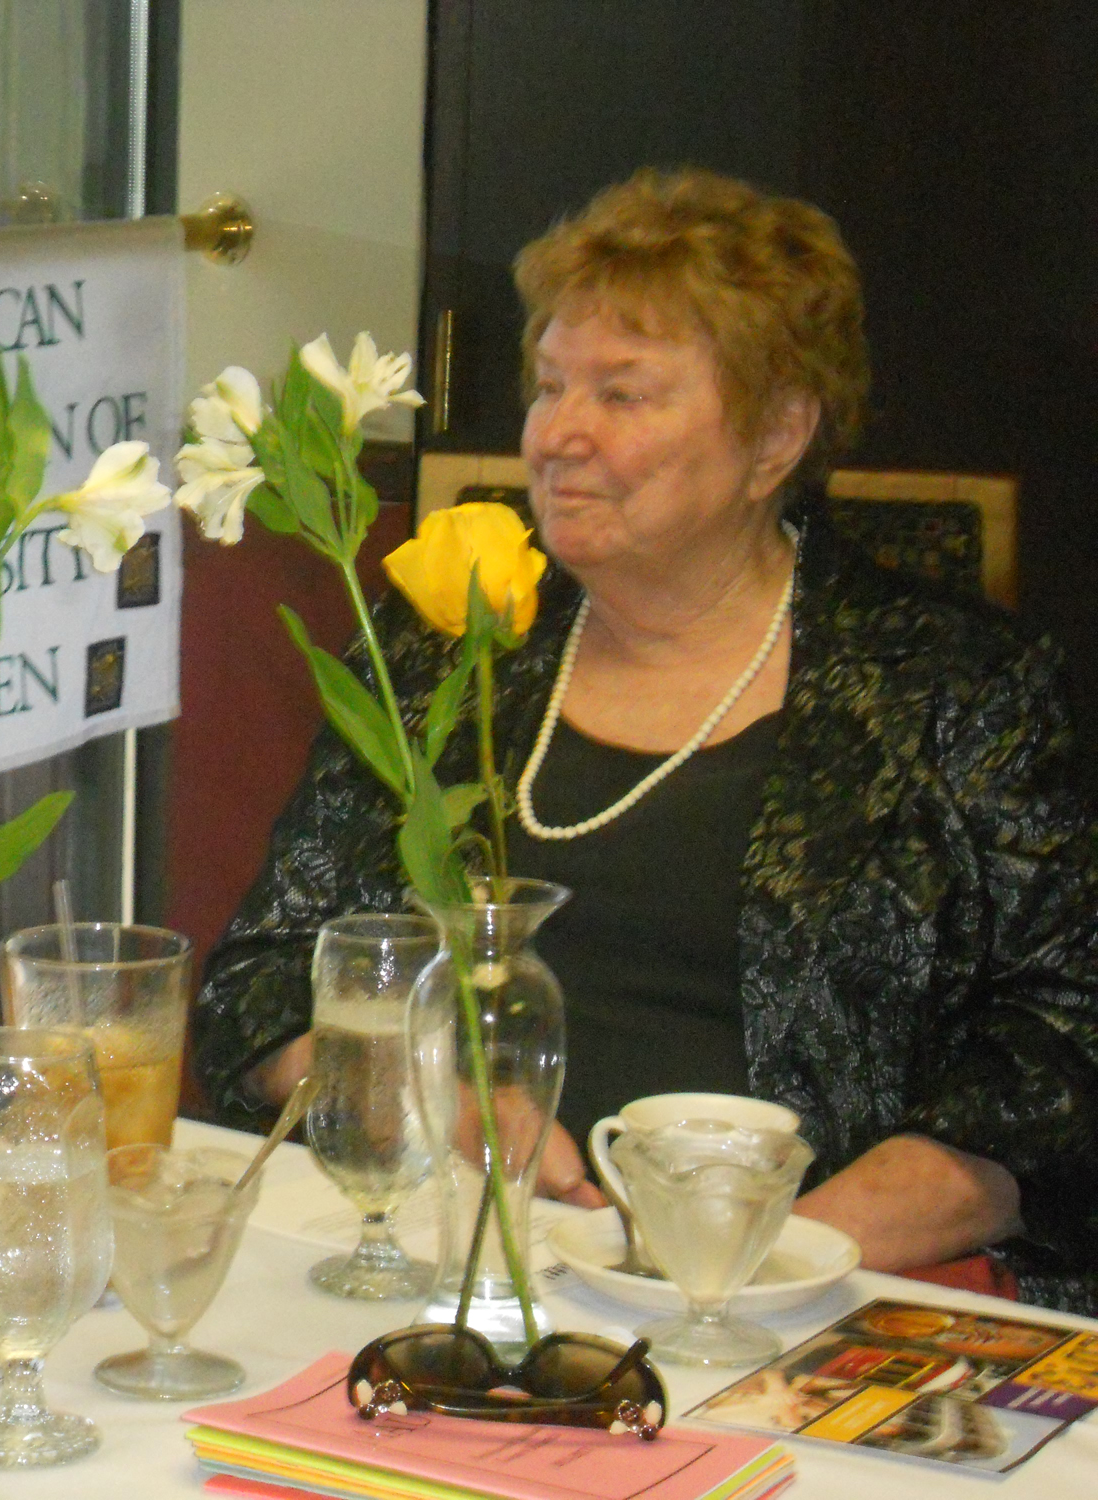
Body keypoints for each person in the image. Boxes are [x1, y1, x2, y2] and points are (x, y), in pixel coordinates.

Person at [193, 168, 1098, 1312]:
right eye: (548, 387)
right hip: (464, 1264)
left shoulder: (956, 684)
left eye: (620, 395)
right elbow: (263, 981)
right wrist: (419, 1098)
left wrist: (773, 1254)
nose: (555, 436)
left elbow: (1062, 1048)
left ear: (774, 435)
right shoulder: (444, 646)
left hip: (825, 1296)